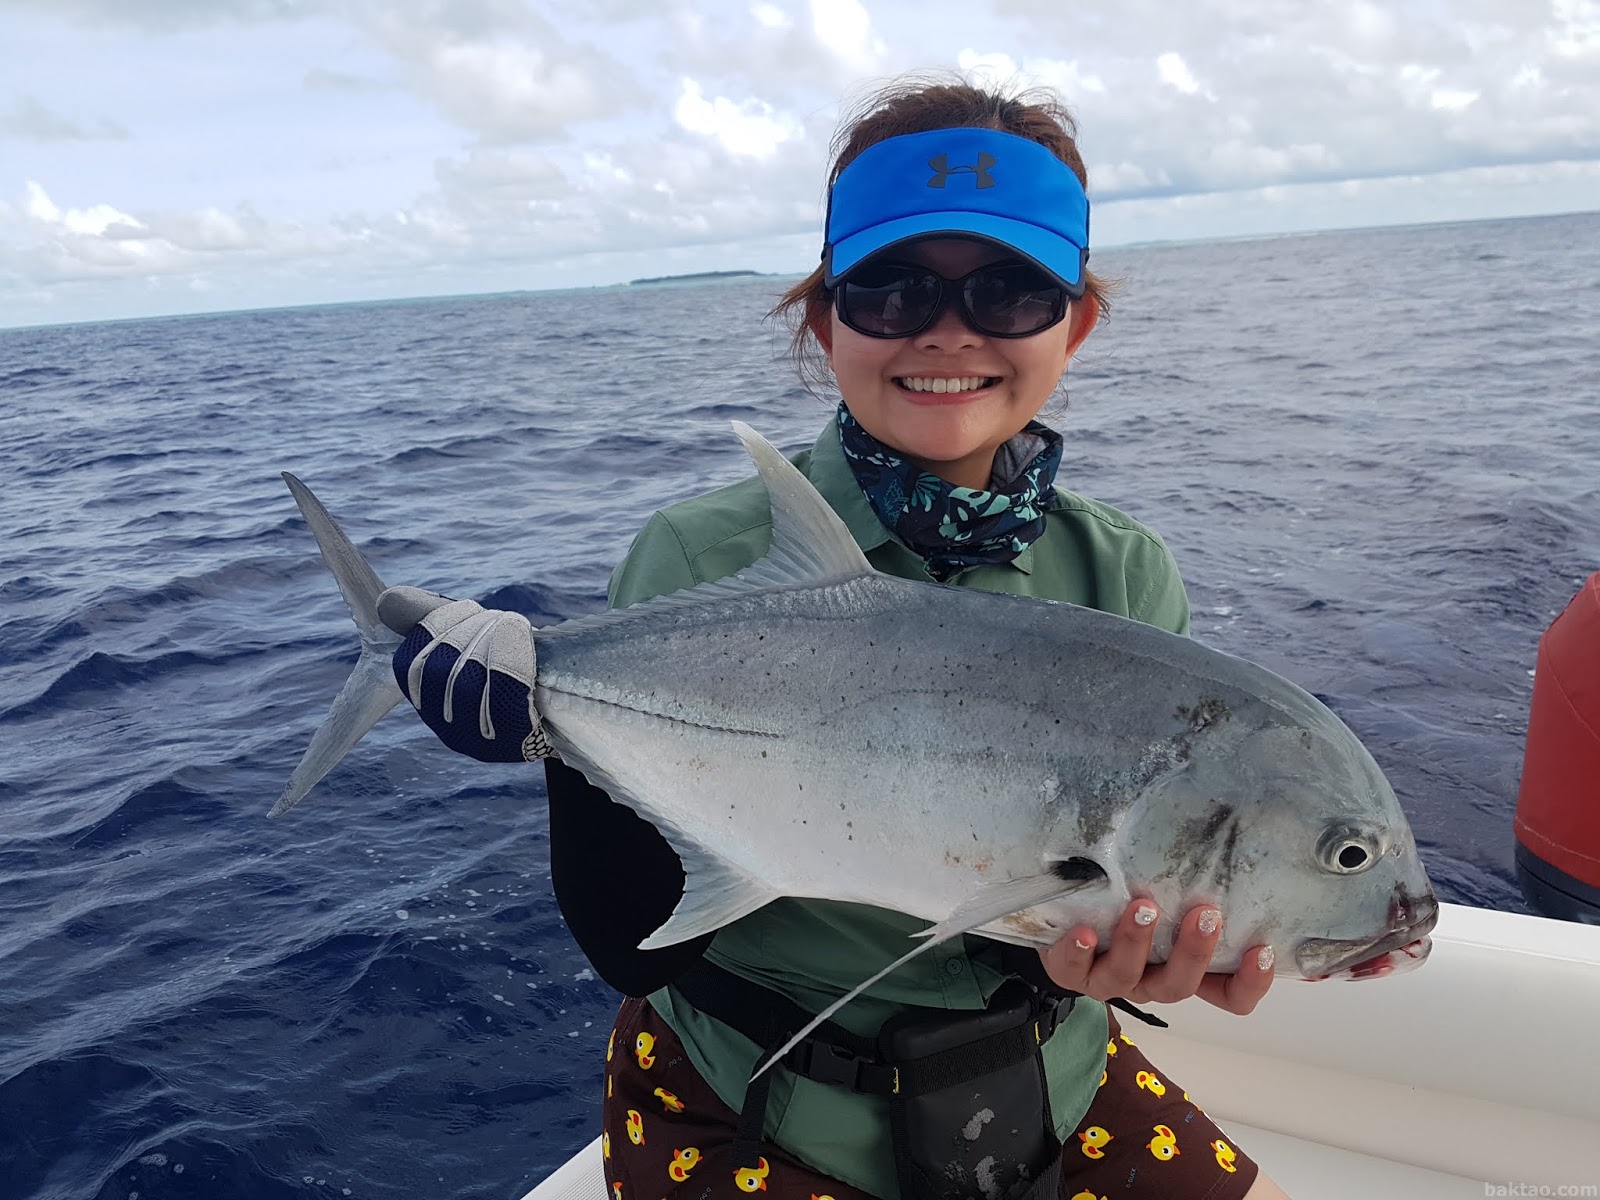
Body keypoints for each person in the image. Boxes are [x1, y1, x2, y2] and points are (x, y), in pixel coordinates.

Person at [390, 75, 1291, 1200]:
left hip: (1052, 1077)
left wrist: (1139, 962)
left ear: (1077, 321)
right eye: (891, 289)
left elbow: (1106, 888)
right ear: (824, 320)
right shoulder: (698, 557)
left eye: (1011, 291)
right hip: (759, 1103)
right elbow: (635, 948)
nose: (949, 332)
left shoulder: (1121, 572)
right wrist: (549, 737)